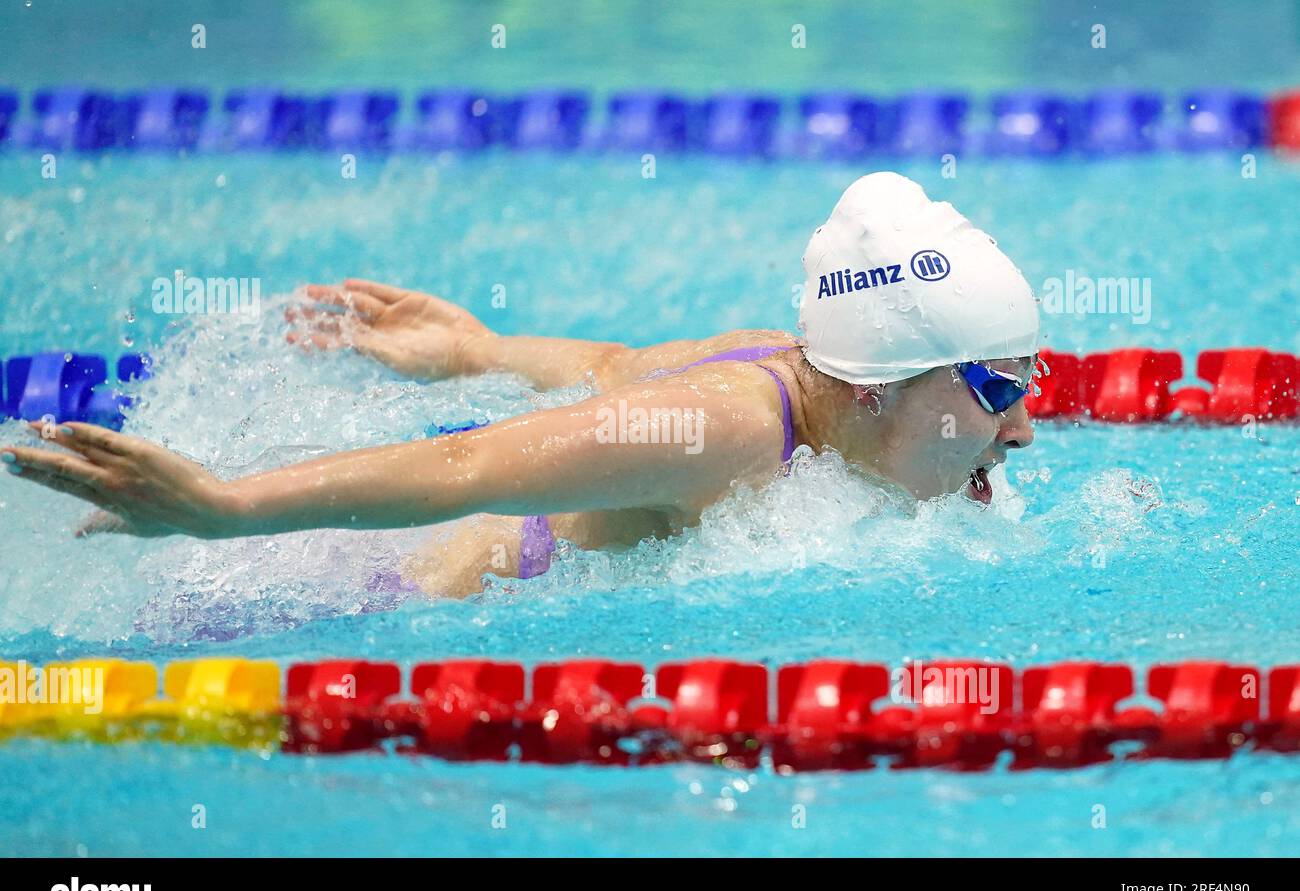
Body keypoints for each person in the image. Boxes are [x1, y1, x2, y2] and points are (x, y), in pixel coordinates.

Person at [2, 172, 1039, 598]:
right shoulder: (728, 430)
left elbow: (611, 371)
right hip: (381, 597)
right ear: (874, 387)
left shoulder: (787, 356)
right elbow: (468, 464)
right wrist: (223, 508)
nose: (1026, 428)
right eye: (996, 389)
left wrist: (480, 349)